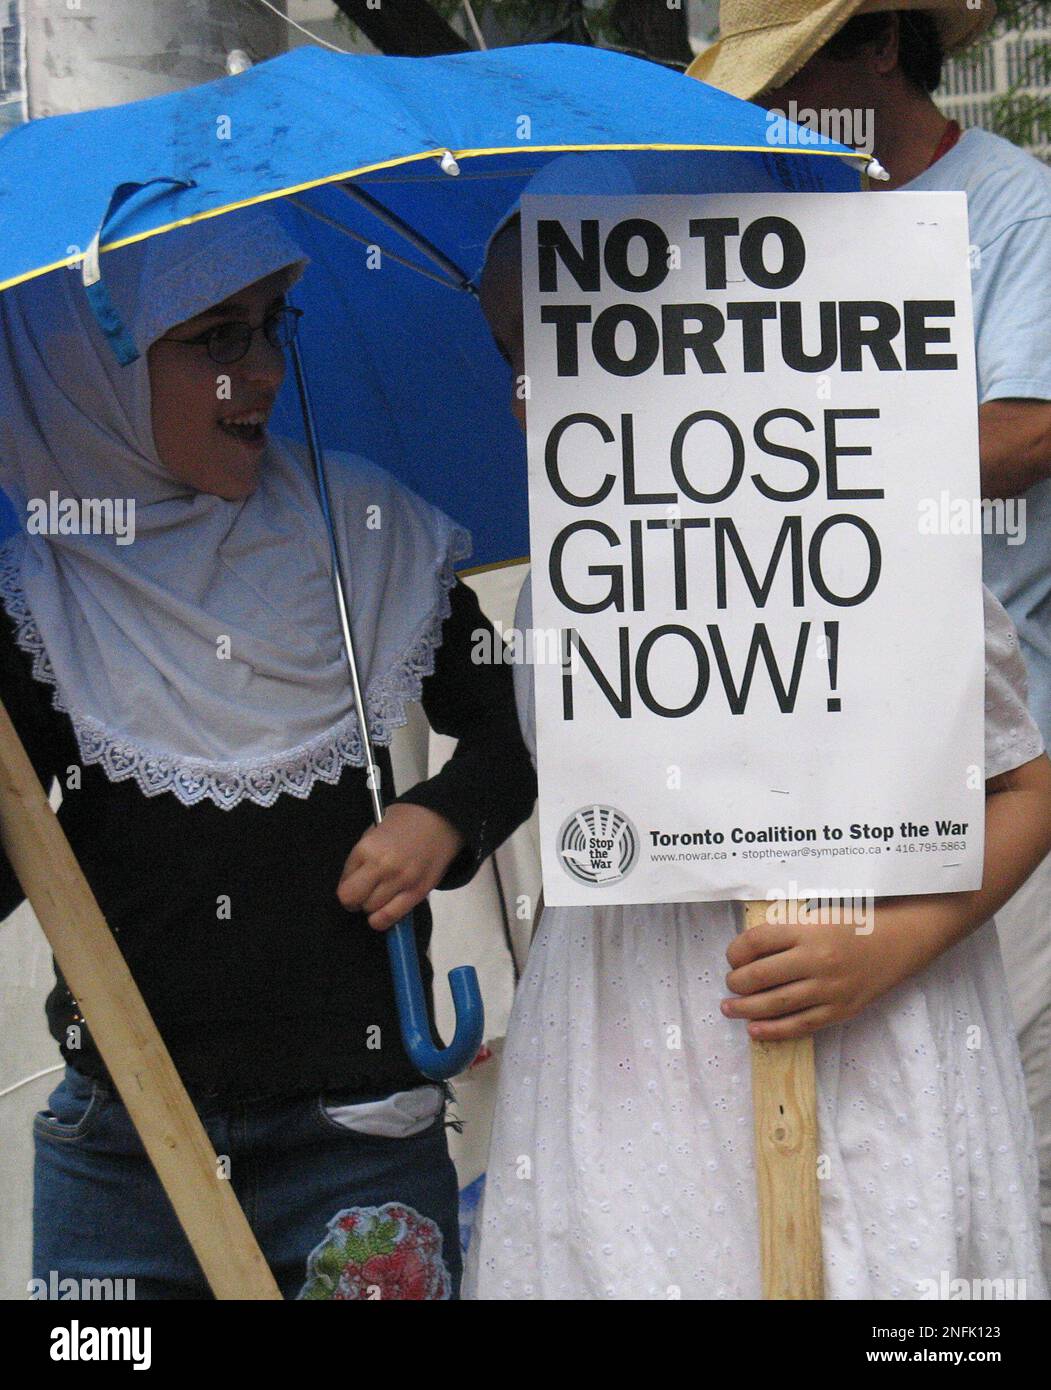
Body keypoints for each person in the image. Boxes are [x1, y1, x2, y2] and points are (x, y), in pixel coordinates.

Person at [464, 156, 1051, 1299]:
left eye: (574, 347)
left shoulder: (886, 536)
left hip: (881, 1042)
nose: (533, 397)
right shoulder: (560, 583)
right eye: (517, 362)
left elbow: (1025, 790)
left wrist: (884, 945)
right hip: (628, 1067)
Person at [0, 205, 536, 1300]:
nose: (263, 370)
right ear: (90, 365)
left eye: (270, 328)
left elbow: (520, 727)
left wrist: (445, 816)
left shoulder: (364, 532)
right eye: (216, 339)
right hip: (123, 1155)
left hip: (356, 1143)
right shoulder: (41, 596)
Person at [692, 0, 1051, 1281]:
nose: (772, 111)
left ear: (883, 50)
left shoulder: (1014, 208)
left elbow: (1027, 428)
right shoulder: (794, 236)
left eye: (792, 76)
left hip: (1002, 771)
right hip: (830, 774)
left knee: (990, 1140)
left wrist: (816, 476)